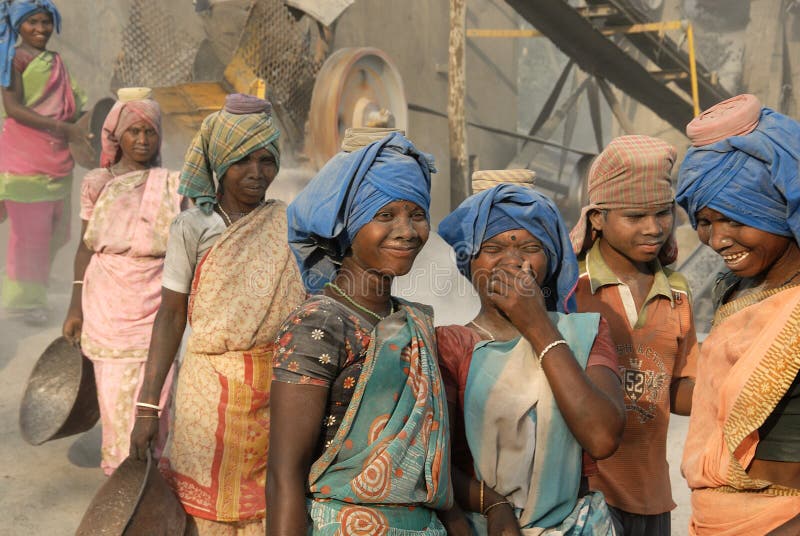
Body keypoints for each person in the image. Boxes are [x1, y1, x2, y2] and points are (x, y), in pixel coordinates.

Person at [128, 94, 306, 535]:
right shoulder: (192, 227)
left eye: (267, 160)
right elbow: (169, 318)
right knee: (201, 514)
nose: (257, 172)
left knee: (271, 507)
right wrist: (148, 408)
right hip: (208, 395)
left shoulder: (288, 223)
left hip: (275, 392)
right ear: (220, 162)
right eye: (243, 160)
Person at [267, 130, 452, 535]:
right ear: (348, 226)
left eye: (416, 214)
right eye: (384, 216)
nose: (406, 231)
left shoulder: (414, 321)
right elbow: (285, 474)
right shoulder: (320, 324)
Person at [435, 172, 625, 535]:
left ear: (550, 260)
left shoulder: (584, 333)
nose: (513, 262)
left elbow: (602, 437)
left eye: (530, 249)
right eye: (493, 250)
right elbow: (434, 460)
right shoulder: (449, 346)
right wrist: (492, 504)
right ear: (470, 265)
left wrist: (537, 325)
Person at [676, 94, 800, 535]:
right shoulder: (737, 288)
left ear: (778, 207)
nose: (717, 239)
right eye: (705, 222)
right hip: (715, 519)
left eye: (735, 219)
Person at [569, 135, 699, 536]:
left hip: (653, 498)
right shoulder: (573, 289)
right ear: (596, 218)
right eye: (636, 216)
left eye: (663, 213)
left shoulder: (676, 292)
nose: (654, 228)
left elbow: (678, 392)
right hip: (584, 497)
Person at [61, 88, 182, 475]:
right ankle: (121, 485)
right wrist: (74, 306)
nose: (143, 141)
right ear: (117, 137)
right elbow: (84, 248)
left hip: (157, 305)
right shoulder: (97, 183)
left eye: (150, 133)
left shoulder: (172, 185)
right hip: (108, 307)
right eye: (134, 132)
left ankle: (154, 484)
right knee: (115, 402)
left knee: (158, 398)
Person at [0, 0, 88, 323]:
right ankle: (22, 302)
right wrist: (65, 128)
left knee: (58, 233)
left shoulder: (55, 59)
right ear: (18, 24)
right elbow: (13, 108)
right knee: (31, 235)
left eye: (46, 22)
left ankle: (30, 283)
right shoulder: (13, 59)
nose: (40, 29)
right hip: (25, 158)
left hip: (57, 158)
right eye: (32, 22)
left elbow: (75, 102)